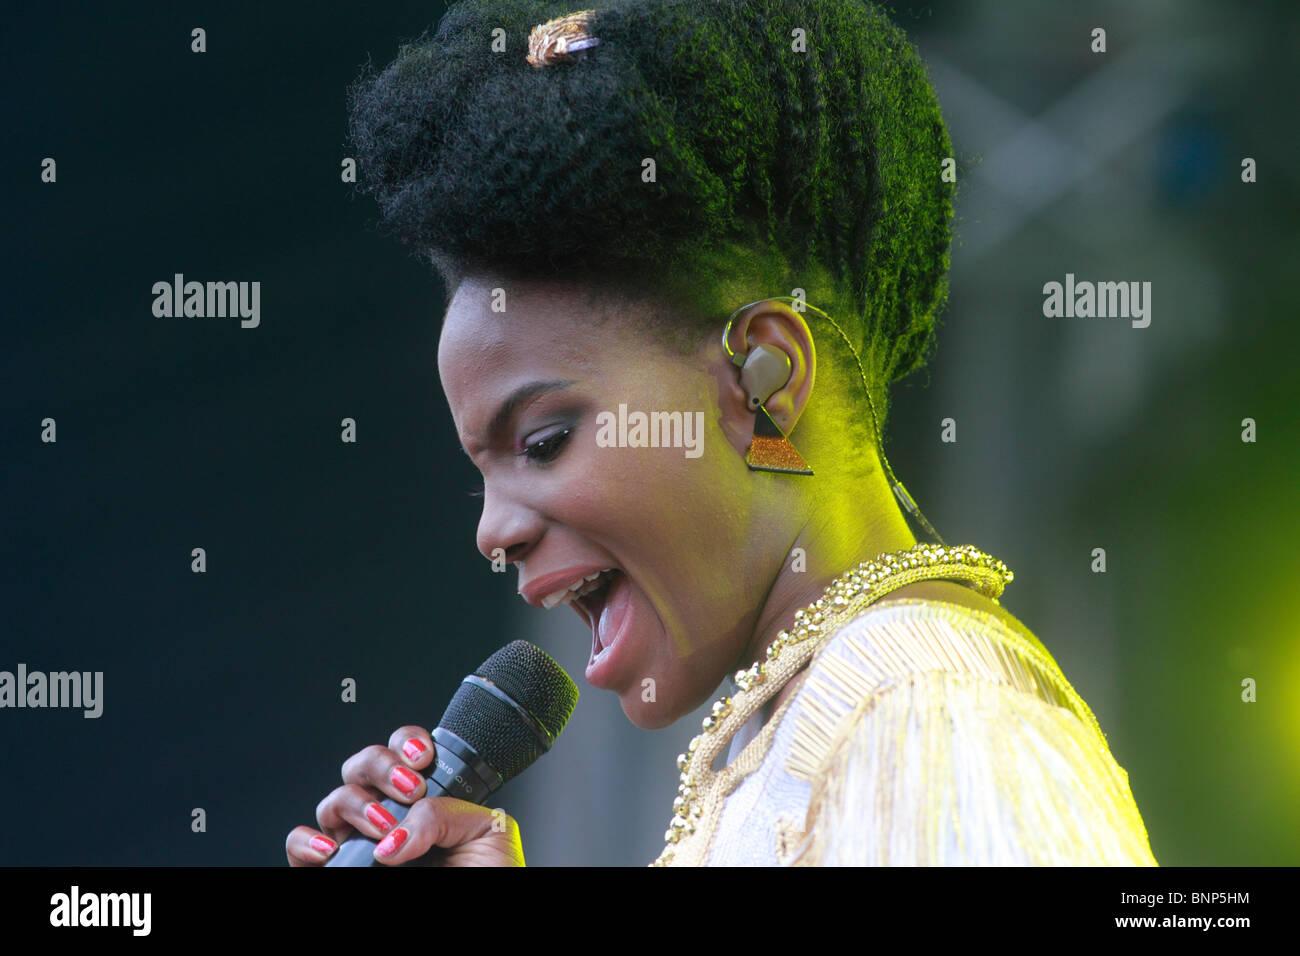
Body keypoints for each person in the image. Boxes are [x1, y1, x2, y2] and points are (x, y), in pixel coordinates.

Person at [286, 0, 1158, 867]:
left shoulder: (934, 714)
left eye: (544, 441)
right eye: (484, 473)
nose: (493, 531)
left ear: (764, 381)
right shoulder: (820, 724)